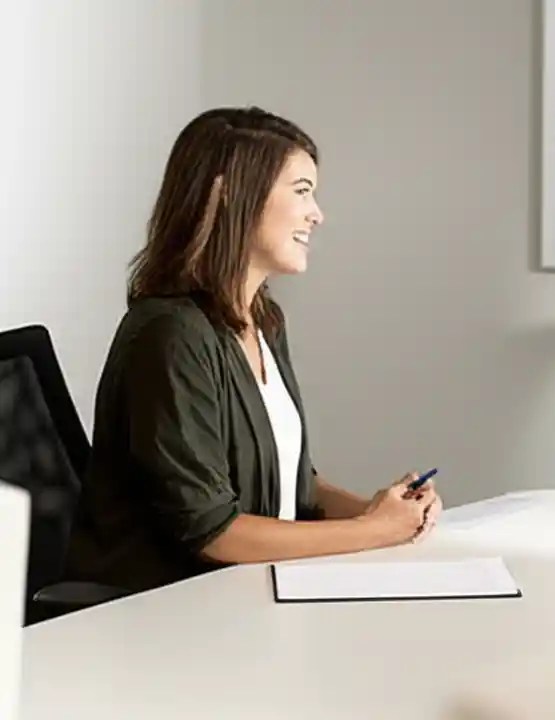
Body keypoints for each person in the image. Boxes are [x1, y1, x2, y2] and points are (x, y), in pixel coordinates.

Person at [65, 107, 442, 594]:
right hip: (169, 608)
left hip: (246, 593)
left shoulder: (263, 319)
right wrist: (373, 531)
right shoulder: (170, 336)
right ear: (228, 194)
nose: (317, 214)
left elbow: (291, 481)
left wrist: (384, 513)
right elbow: (213, 531)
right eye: (302, 191)